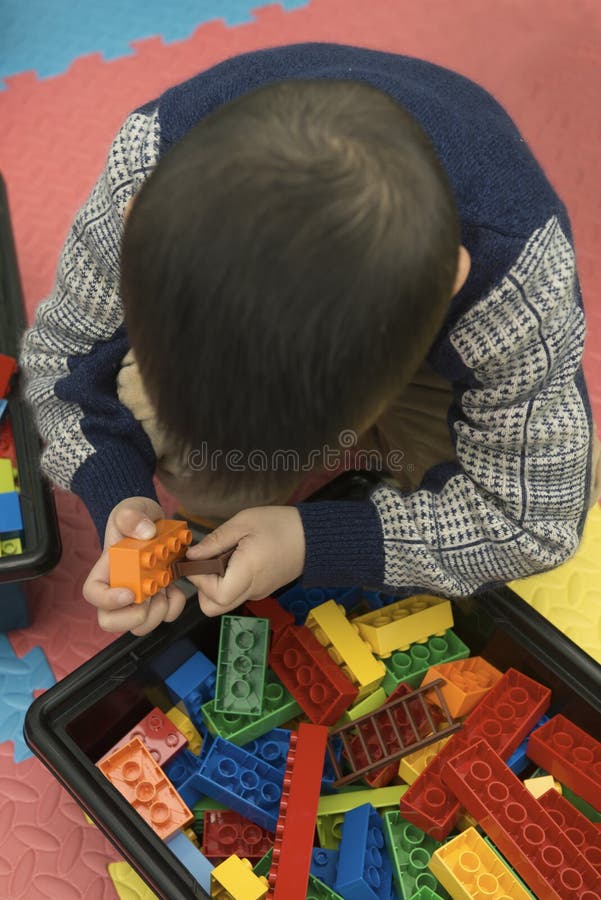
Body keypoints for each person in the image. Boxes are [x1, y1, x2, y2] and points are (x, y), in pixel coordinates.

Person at [21, 43, 599, 637]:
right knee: (196, 460)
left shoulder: (517, 277)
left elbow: (535, 522)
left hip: (448, 357)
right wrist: (118, 493)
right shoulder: (147, 167)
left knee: (535, 487)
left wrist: (312, 542)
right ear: (134, 222)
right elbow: (57, 358)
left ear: (448, 280)